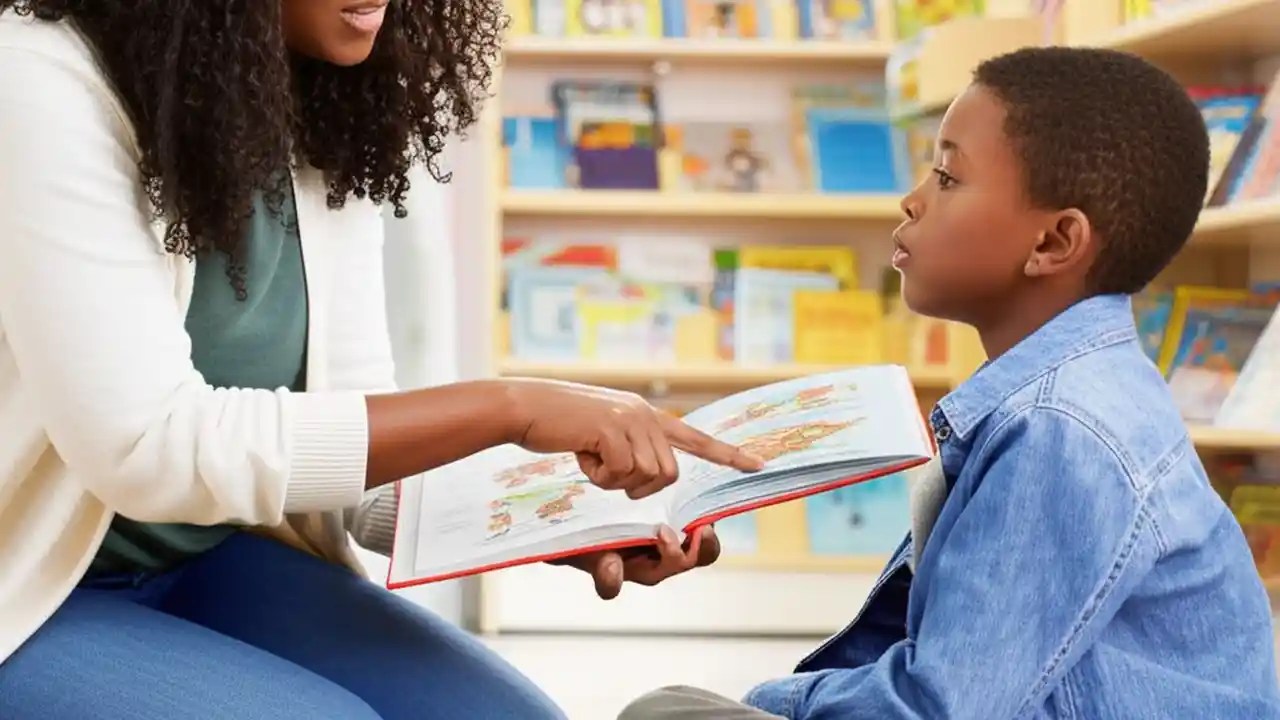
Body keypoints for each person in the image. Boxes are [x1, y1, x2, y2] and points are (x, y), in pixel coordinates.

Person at [0, 2, 764, 719]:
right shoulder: (41, 80)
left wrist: (549, 520)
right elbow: (146, 448)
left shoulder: (321, 96)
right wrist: (512, 408)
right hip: (27, 591)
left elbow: (353, 448)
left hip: (206, 560)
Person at [621, 46, 1280, 719]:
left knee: (662, 715)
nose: (912, 200)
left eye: (946, 176)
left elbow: (939, 708)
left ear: (1053, 244)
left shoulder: (1063, 431)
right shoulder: (1069, 389)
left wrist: (776, 701)